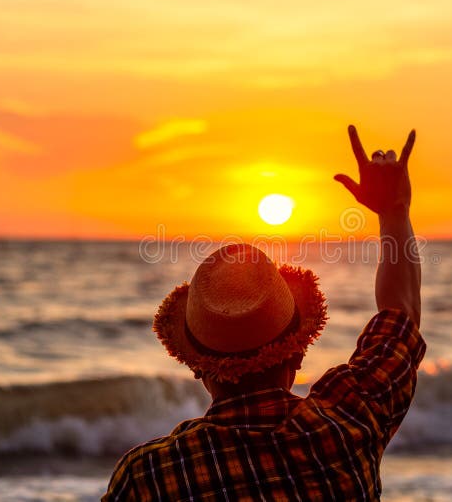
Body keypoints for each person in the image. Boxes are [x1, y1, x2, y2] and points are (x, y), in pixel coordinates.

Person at [103, 125, 425, 501]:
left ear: (197, 366)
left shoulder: (152, 477)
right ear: (299, 350)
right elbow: (401, 313)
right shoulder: (345, 427)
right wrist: (394, 211)